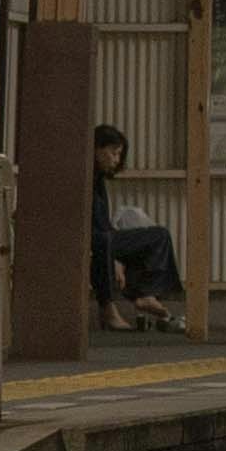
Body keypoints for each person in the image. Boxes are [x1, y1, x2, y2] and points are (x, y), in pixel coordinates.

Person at [90, 120, 184, 332]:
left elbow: (102, 224)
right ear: (96, 148)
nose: (116, 160)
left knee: (159, 236)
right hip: (93, 239)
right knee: (104, 241)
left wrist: (117, 256)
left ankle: (145, 293)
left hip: (101, 237)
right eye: (113, 153)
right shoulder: (86, 179)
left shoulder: (98, 181)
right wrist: (114, 256)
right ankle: (108, 309)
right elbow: (92, 228)